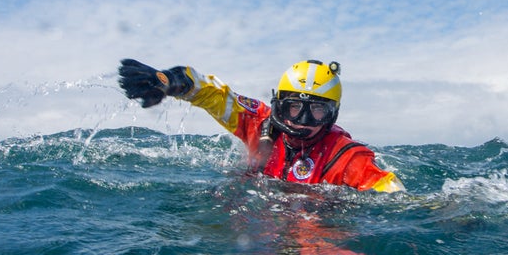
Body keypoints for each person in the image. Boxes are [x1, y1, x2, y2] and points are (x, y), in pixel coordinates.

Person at [118, 58, 405, 193]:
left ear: (332, 114)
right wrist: (169, 82)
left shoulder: (343, 156)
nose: (301, 121)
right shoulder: (260, 123)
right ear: (278, 104)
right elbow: (213, 94)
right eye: (293, 107)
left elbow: (387, 189)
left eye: (316, 110)